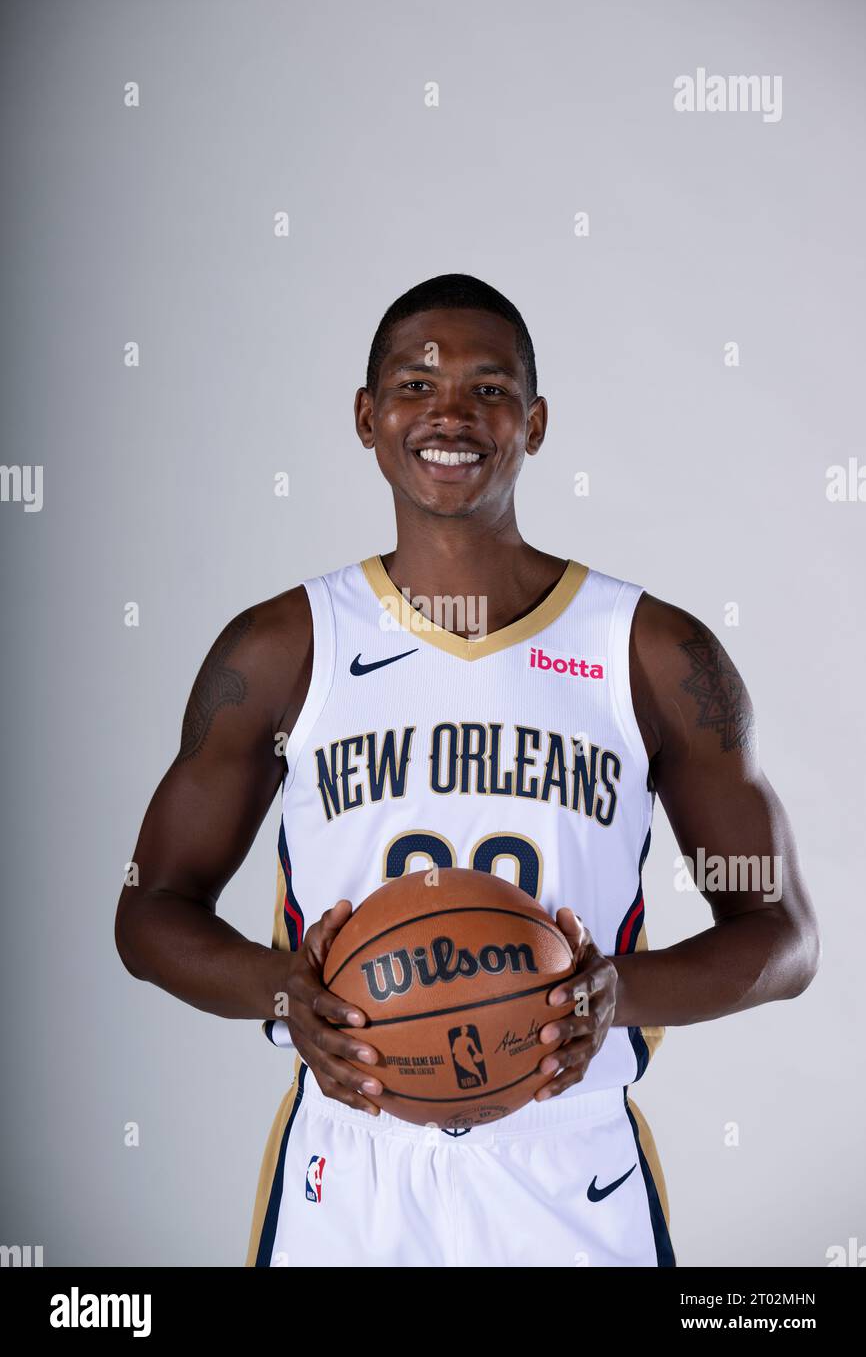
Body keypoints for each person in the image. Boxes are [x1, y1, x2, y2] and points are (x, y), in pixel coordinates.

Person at [115, 273, 820, 1268]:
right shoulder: (280, 649)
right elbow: (149, 911)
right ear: (366, 417)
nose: (451, 414)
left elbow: (783, 938)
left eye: (490, 390)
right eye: (416, 384)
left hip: (567, 1160)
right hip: (348, 1167)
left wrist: (615, 994)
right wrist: (282, 990)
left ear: (534, 423)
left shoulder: (652, 653)